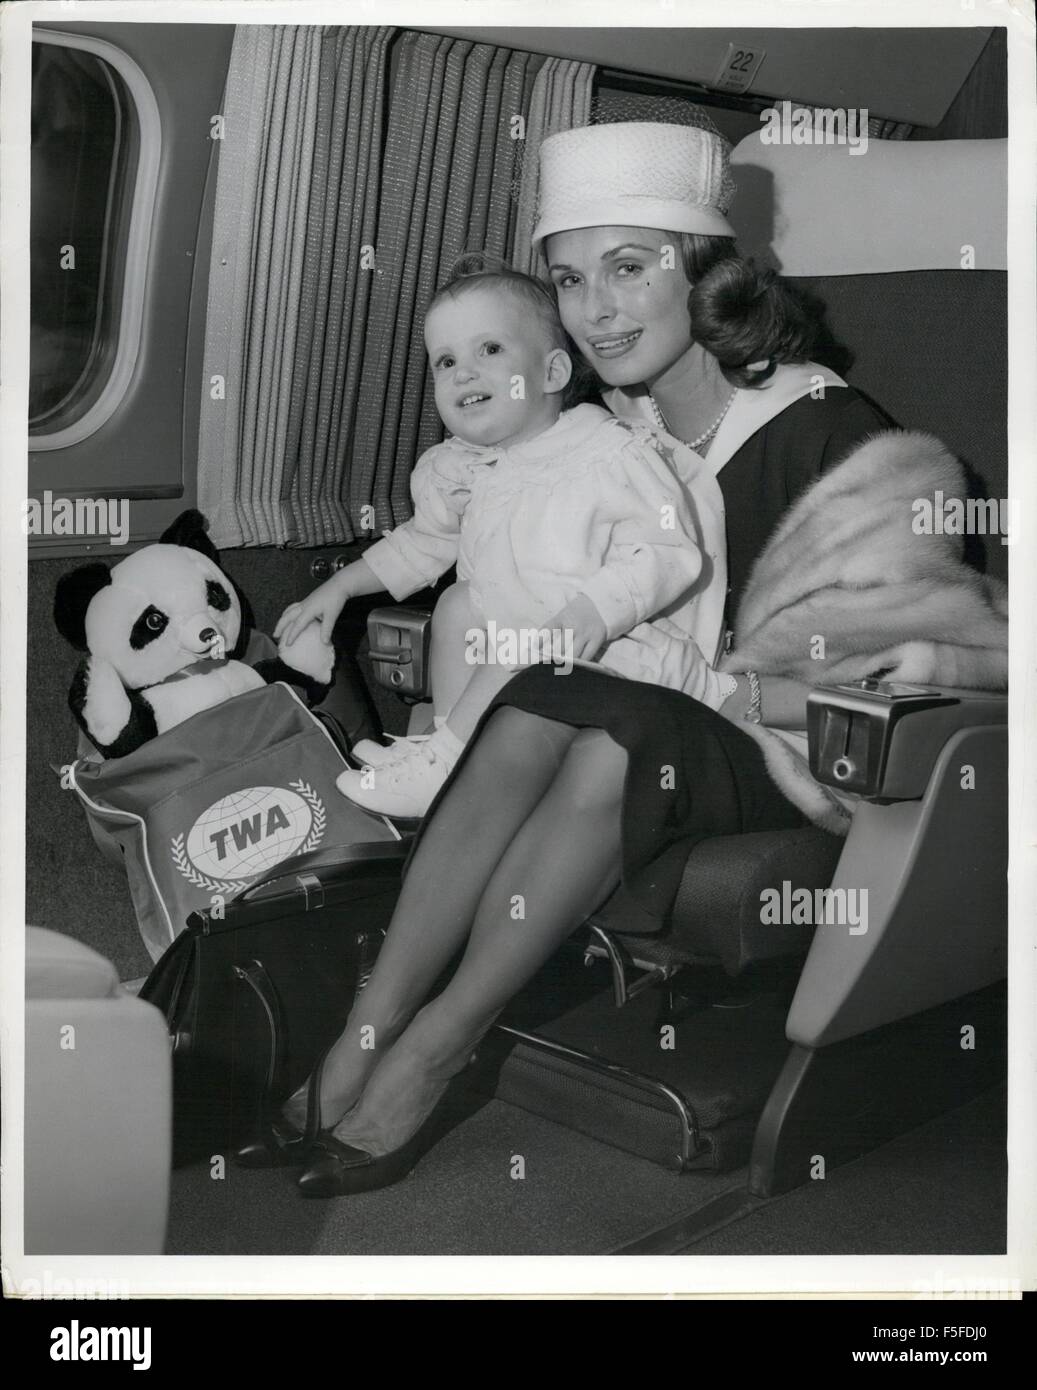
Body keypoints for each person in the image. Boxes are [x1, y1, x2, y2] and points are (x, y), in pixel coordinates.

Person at [271, 119, 893, 1197]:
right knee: (559, 694)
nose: (594, 309)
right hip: (627, 718)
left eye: (626, 268)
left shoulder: (831, 435)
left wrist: (708, 678)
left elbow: (886, 683)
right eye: (567, 278)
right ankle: (366, 1031)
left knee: (608, 726)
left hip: (779, 750)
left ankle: (433, 1047)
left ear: (707, 272)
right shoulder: (594, 431)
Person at [277, 254, 728, 818]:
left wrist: (594, 611)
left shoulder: (610, 455)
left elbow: (669, 552)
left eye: (490, 350)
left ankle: (445, 765)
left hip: (615, 650)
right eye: (445, 361)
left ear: (552, 374)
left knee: (510, 641)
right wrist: (340, 587)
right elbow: (422, 544)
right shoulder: (464, 469)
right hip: (523, 649)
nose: (463, 372)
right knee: (458, 603)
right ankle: (445, 748)